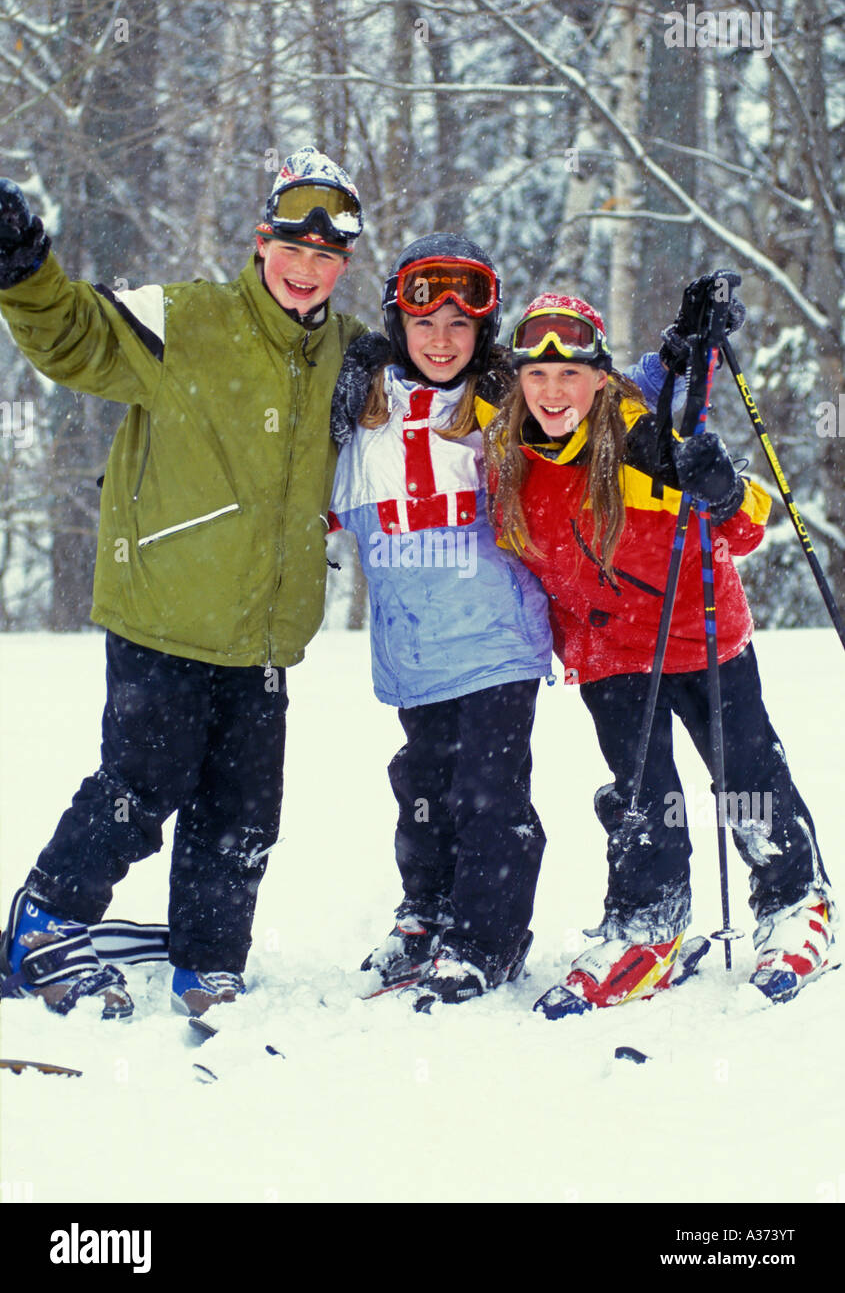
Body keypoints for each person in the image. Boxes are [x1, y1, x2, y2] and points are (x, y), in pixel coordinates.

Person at [0, 146, 369, 1020]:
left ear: (342, 265)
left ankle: (208, 962)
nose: (306, 268)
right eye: (293, 248)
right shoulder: (183, 318)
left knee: (243, 813)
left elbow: (453, 380)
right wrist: (23, 270)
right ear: (259, 243)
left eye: (326, 256)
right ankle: (45, 927)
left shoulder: (351, 353)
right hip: (164, 611)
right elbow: (74, 334)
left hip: (268, 632)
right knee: (138, 790)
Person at [329, 237, 681, 1009]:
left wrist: (675, 361)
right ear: (397, 323)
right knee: (422, 783)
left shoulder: (506, 404)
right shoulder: (360, 413)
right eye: (425, 324)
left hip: (497, 641)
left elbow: (607, 401)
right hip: (412, 649)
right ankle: (427, 911)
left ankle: (487, 939)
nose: (442, 340)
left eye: (461, 325)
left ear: (483, 333)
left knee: (488, 791)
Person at [484, 290, 835, 1012]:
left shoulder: (641, 439)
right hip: (608, 652)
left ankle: (795, 903)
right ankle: (648, 924)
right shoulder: (506, 453)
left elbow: (744, 529)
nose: (554, 393)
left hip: (697, 634)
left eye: (572, 375)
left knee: (745, 776)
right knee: (643, 798)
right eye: (537, 376)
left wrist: (722, 491)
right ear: (516, 380)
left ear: (600, 378)